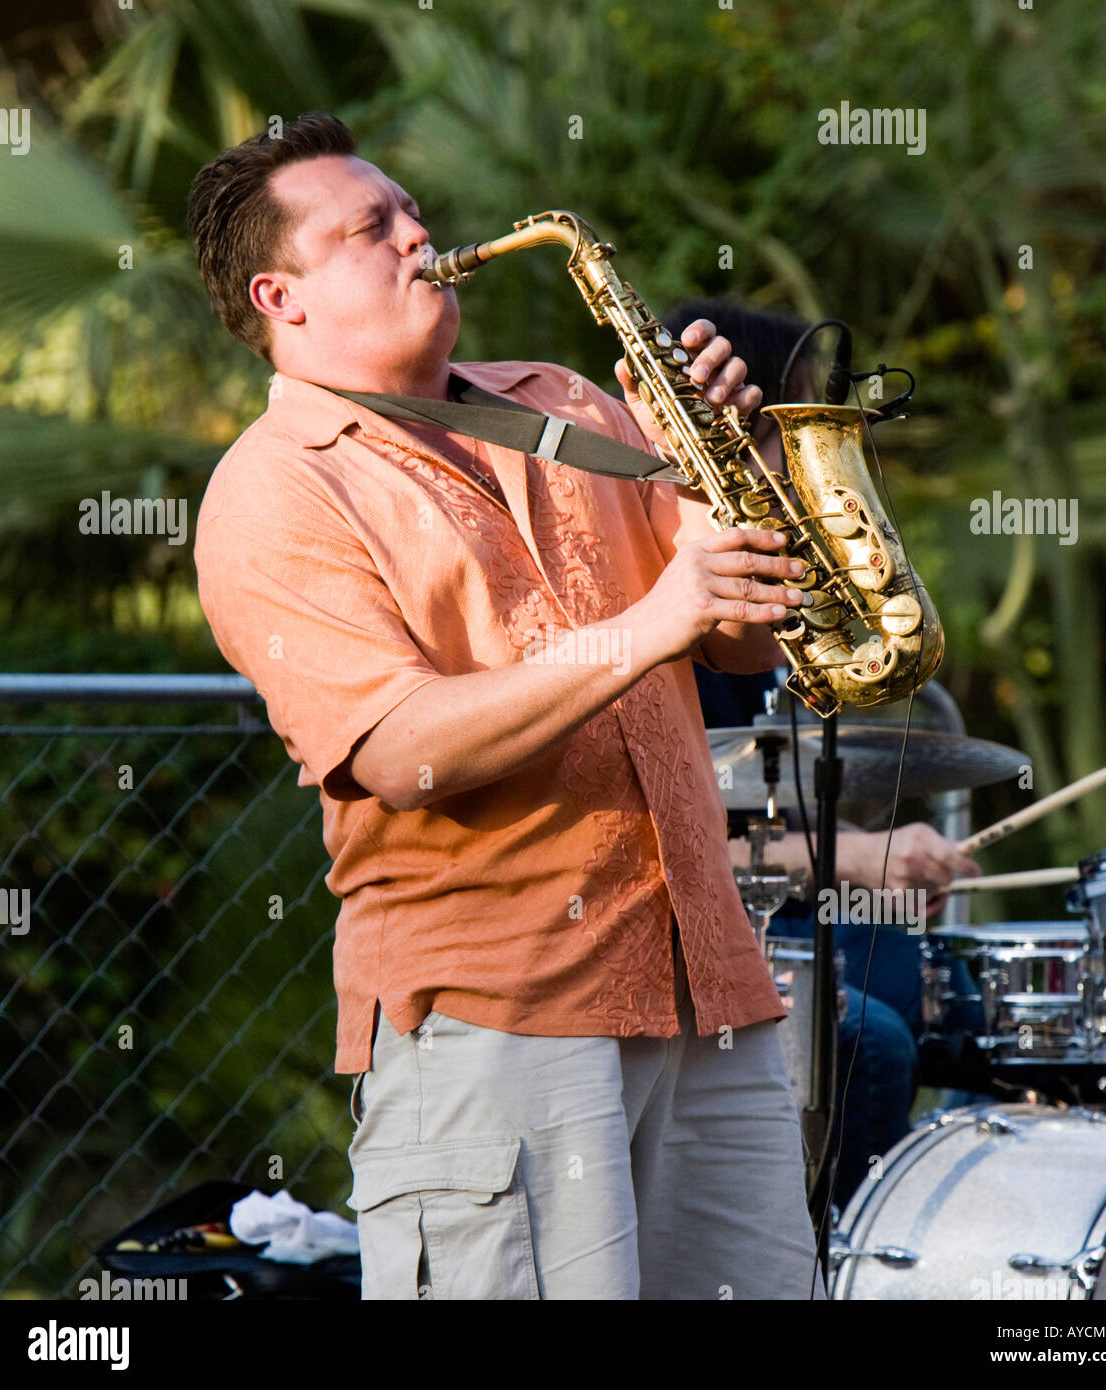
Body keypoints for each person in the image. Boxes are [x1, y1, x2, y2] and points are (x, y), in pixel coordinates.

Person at [188, 114, 824, 1299]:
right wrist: (650, 623)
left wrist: (739, 469)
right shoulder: (274, 491)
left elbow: (740, 629)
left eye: (410, 210)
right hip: (503, 1013)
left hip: (710, 992)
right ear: (282, 297)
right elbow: (399, 750)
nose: (416, 234)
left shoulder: (565, 399)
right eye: (369, 228)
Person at [665, 297, 981, 1206]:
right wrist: (857, 857)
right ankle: (840, 1249)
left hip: (785, 921)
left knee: (963, 1004)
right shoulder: (672, 606)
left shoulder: (770, 597)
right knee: (870, 1043)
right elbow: (671, 841)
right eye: (790, 436)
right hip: (693, 930)